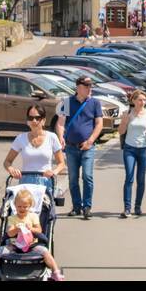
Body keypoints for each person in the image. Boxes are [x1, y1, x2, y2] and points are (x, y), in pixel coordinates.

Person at [0, 187, 64, 281]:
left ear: (30, 206)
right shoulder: (13, 218)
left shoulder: (33, 216)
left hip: (32, 245)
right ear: (15, 205)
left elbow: (39, 230)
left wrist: (31, 228)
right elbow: (10, 233)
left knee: (45, 252)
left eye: (25, 207)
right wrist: (17, 229)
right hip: (15, 245)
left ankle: (55, 271)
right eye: (19, 206)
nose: (22, 209)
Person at [54, 76, 104, 219]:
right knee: (73, 178)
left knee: (87, 176)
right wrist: (60, 137)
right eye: (87, 86)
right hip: (71, 147)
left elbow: (99, 124)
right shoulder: (68, 102)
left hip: (88, 147)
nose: (90, 88)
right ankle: (77, 206)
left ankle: (87, 206)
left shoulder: (95, 103)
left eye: (90, 86)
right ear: (78, 87)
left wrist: (90, 140)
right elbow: (60, 123)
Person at [4, 104, 66, 189]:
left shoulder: (52, 137)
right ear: (27, 121)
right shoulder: (20, 138)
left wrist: (53, 172)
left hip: (45, 181)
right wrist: (12, 170)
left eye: (37, 118)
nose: (34, 121)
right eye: (30, 118)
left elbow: (61, 163)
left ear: (43, 120)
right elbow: (7, 162)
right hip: (25, 182)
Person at [117, 88, 146, 217]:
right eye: (140, 100)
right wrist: (125, 120)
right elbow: (121, 132)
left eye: (144, 100)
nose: (142, 102)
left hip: (143, 149)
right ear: (133, 100)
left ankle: (137, 206)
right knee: (129, 177)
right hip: (130, 149)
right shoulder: (127, 113)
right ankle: (127, 208)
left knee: (141, 179)